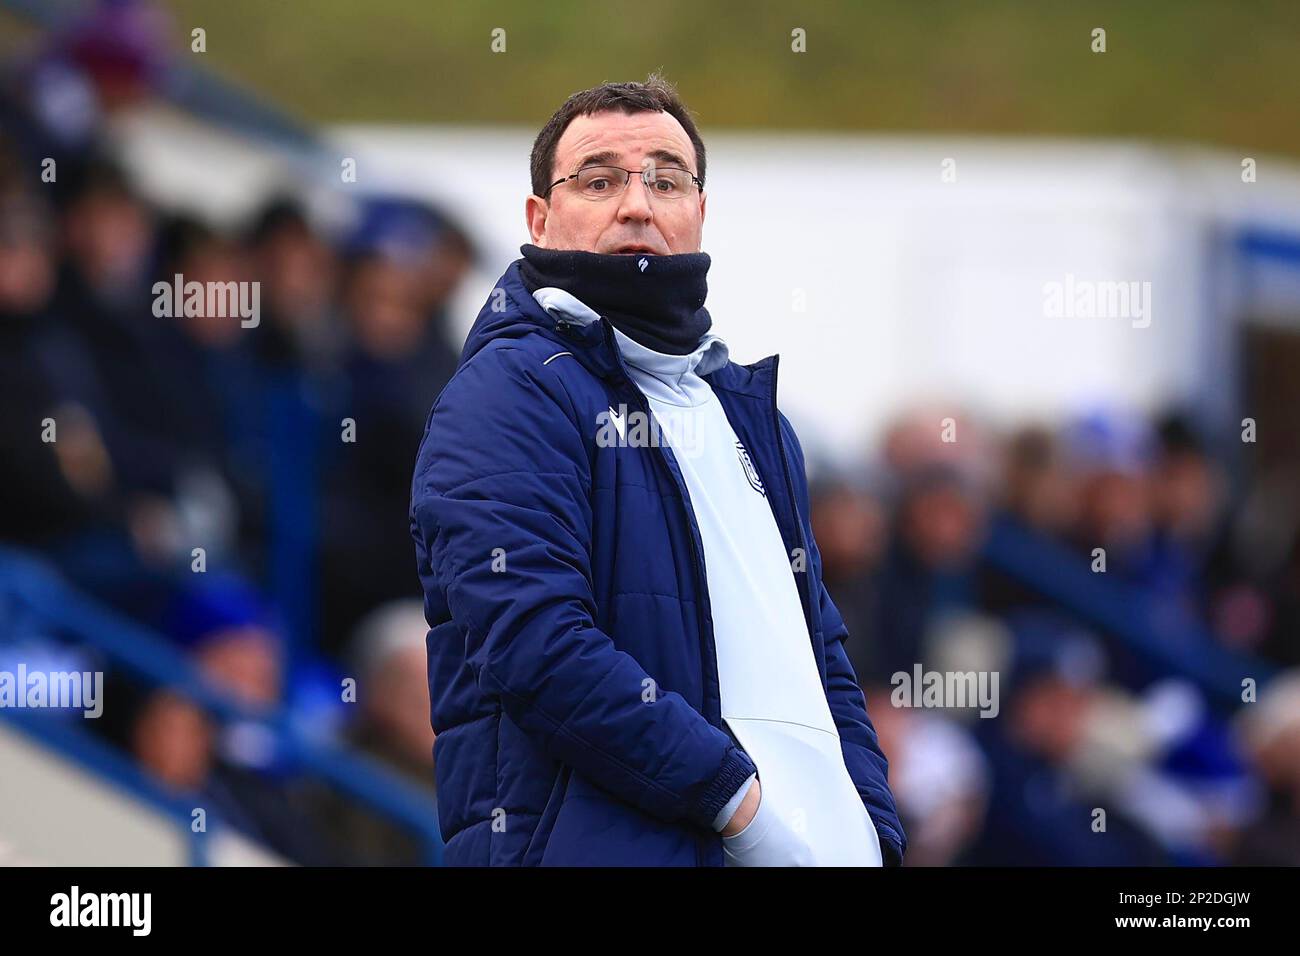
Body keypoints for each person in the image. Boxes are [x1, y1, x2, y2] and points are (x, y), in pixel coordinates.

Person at [409, 74, 904, 866]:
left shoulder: (752, 417)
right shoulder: (510, 390)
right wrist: (740, 810)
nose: (637, 204)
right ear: (540, 218)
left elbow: (825, 658)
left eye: (666, 179)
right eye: (600, 179)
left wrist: (872, 829)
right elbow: (538, 644)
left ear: (698, 212)